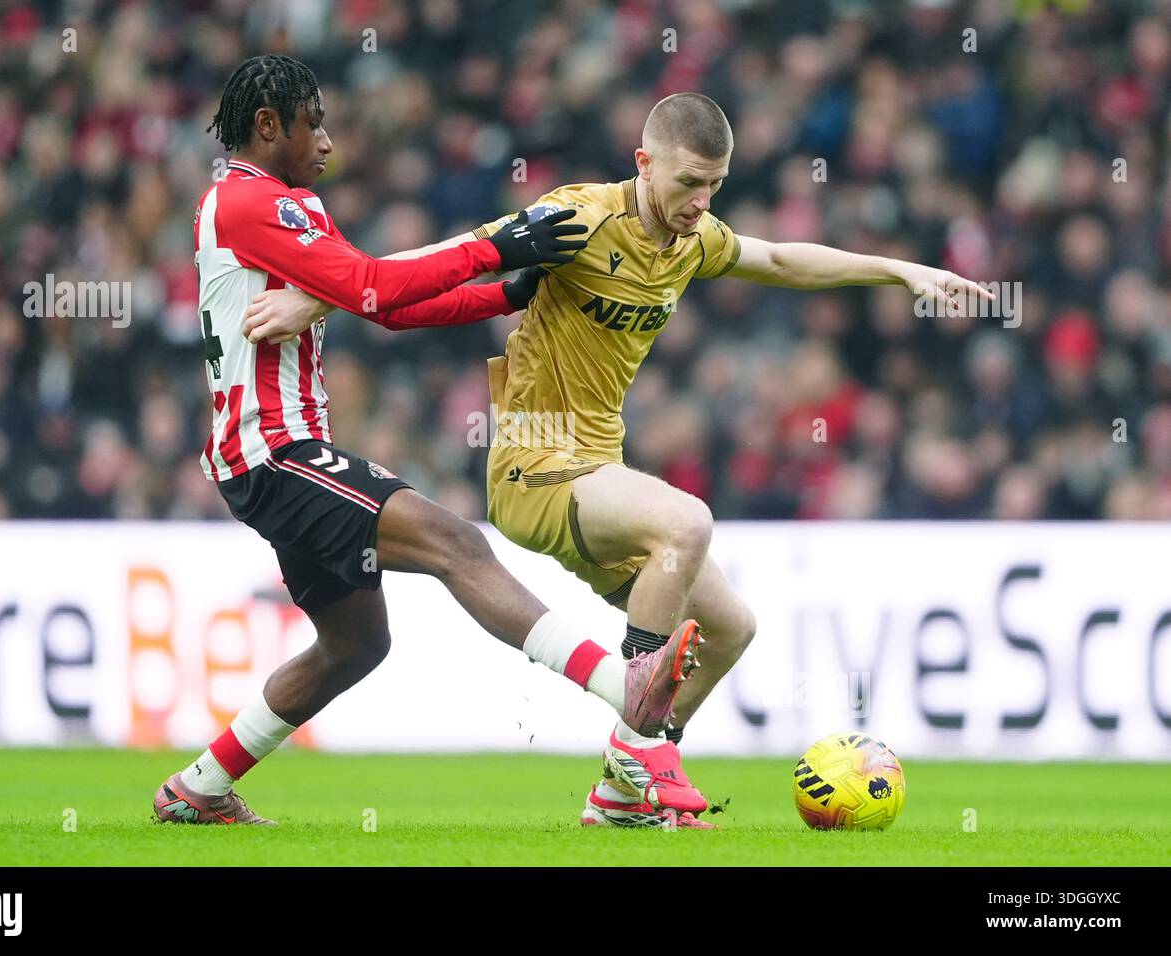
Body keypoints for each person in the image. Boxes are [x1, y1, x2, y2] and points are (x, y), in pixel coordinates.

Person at [251, 92, 995, 828]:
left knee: (730, 626)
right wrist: (319, 301)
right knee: (688, 522)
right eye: (687, 183)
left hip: (595, 471)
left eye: (714, 186)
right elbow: (443, 261)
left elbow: (780, 260)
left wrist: (899, 270)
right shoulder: (579, 216)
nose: (700, 202)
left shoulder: (692, 240)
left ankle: (619, 794)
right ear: (644, 163)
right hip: (533, 464)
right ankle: (641, 744)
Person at [153, 56, 704, 827]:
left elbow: (385, 309)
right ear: (269, 125)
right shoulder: (248, 203)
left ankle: (198, 788)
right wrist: (502, 245)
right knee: (454, 543)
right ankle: (625, 690)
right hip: (275, 453)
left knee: (354, 645)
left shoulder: (282, 206)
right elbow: (374, 284)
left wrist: (502, 292)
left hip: (279, 453)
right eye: (316, 124)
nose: (329, 142)